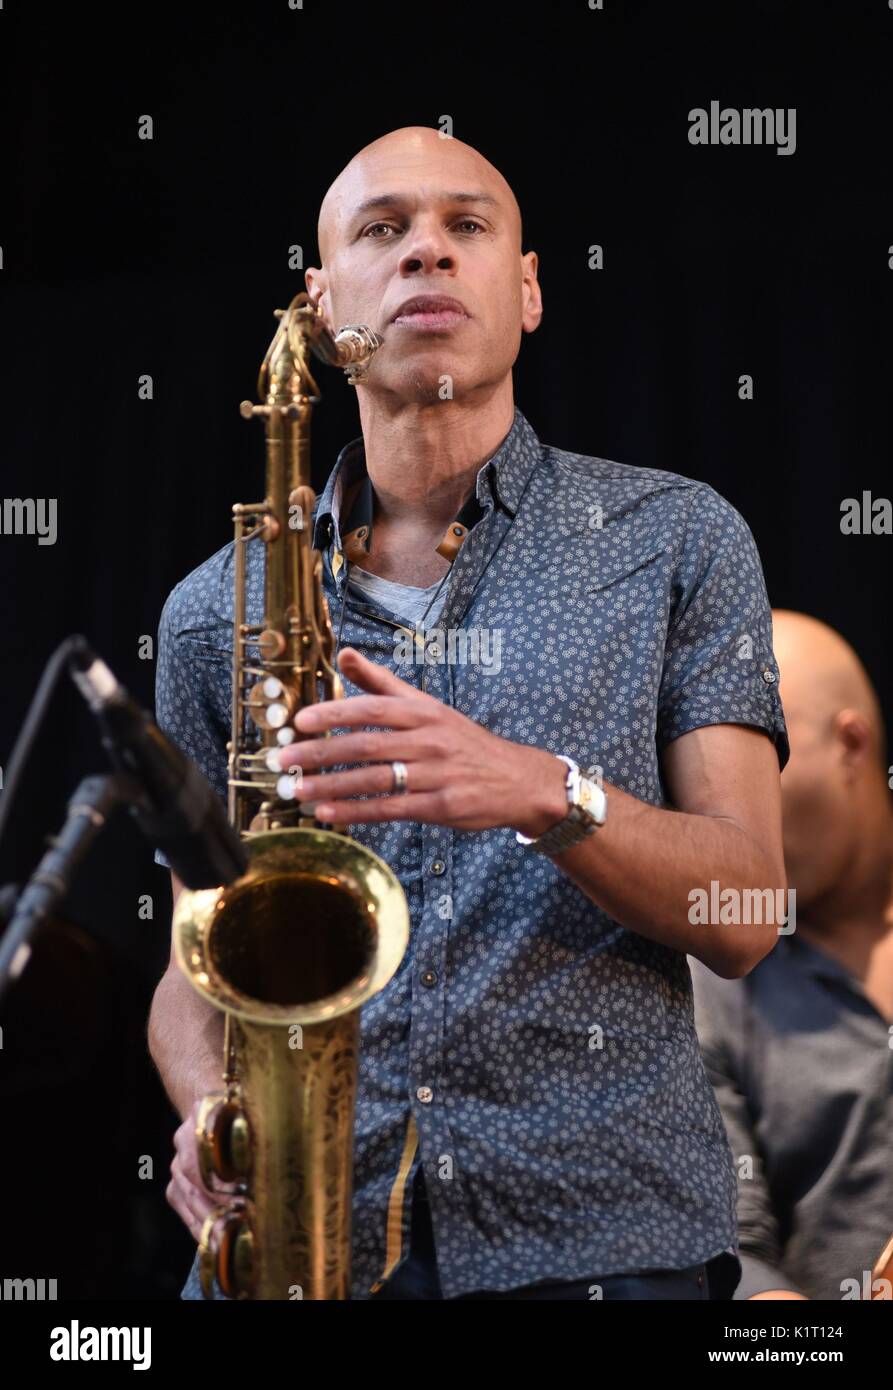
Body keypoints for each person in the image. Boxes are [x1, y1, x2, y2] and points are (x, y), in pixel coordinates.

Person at [148, 125, 788, 1300]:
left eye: (465, 227)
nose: (425, 256)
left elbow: (748, 909)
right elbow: (196, 955)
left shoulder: (679, 538)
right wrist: (211, 1115)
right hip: (306, 1248)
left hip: (601, 1250)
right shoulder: (208, 612)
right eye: (382, 232)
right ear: (321, 299)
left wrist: (545, 790)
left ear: (530, 289)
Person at [691, 610, 893, 1300]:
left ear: (850, 744)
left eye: (763, 759)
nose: (730, 807)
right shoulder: (705, 983)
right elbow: (729, 1257)